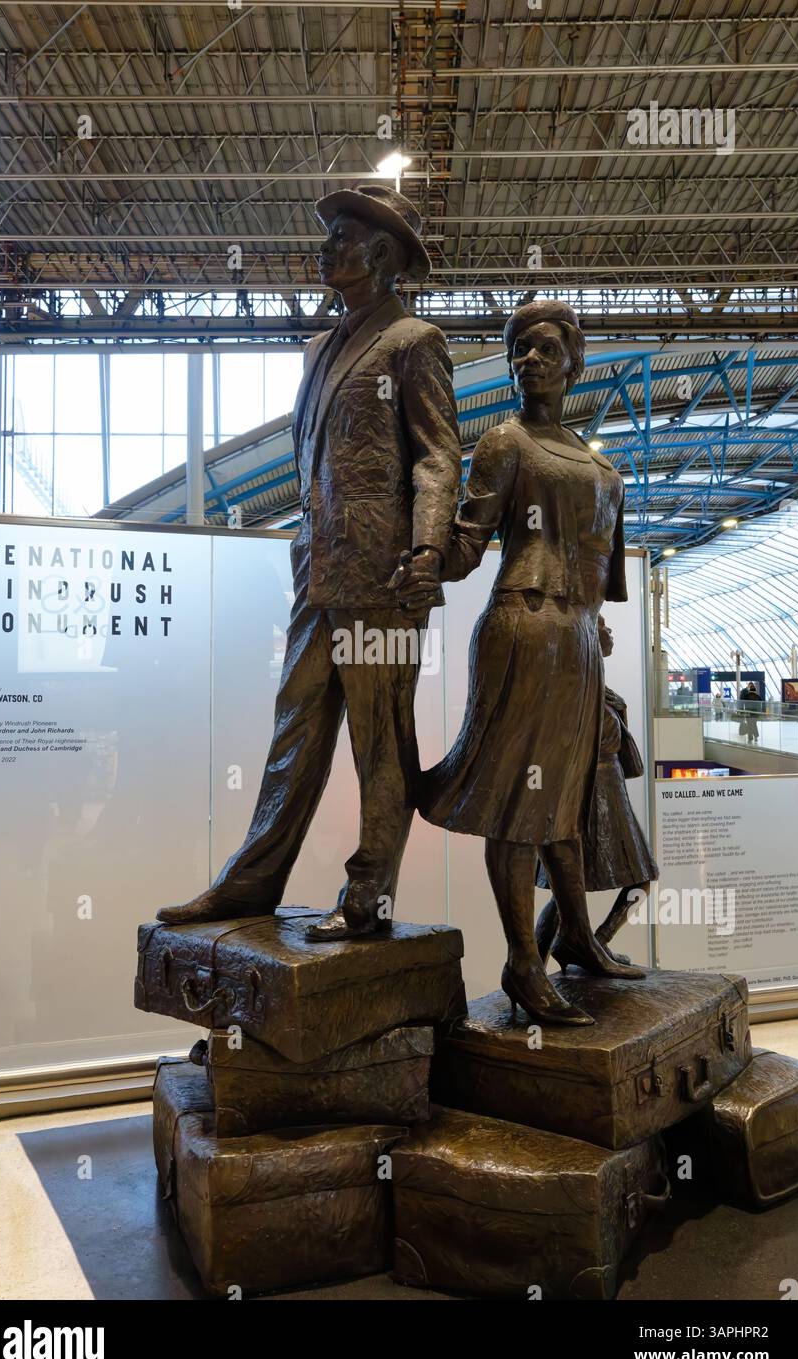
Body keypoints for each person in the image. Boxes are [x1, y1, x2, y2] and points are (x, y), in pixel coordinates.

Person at [157, 185, 462, 941]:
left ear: (384, 256)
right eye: (326, 239)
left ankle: (369, 898)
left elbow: (436, 456)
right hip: (320, 574)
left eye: (342, 238)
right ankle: (251, 881)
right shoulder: (319, 350)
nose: (324, 251)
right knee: (293, 732)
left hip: (386, 579)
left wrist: (427, 548)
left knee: (380, 740)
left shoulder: (413, 342)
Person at [395, 300, 644, 1028]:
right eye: (518, 351)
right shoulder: (504, 443)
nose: (527, 360)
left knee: (564, 797)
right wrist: (424, 558)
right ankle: (521, 962)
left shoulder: (604, 467)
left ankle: (572, 935)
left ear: (574, 363)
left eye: (542, 349)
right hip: (523, 626)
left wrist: (594, 636)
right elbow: (471, 542)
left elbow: (601, 570)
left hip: (577, 638)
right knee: (516, 801)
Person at [535, 615, 659, 968]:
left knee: (581, 888)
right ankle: (540, 961)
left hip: (609, 791)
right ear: (588, 638)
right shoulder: (570, 686)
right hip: (589, 794)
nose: (610, 631)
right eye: (603, 626)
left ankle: (583, 945)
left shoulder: (592, 683)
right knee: (569, 888)